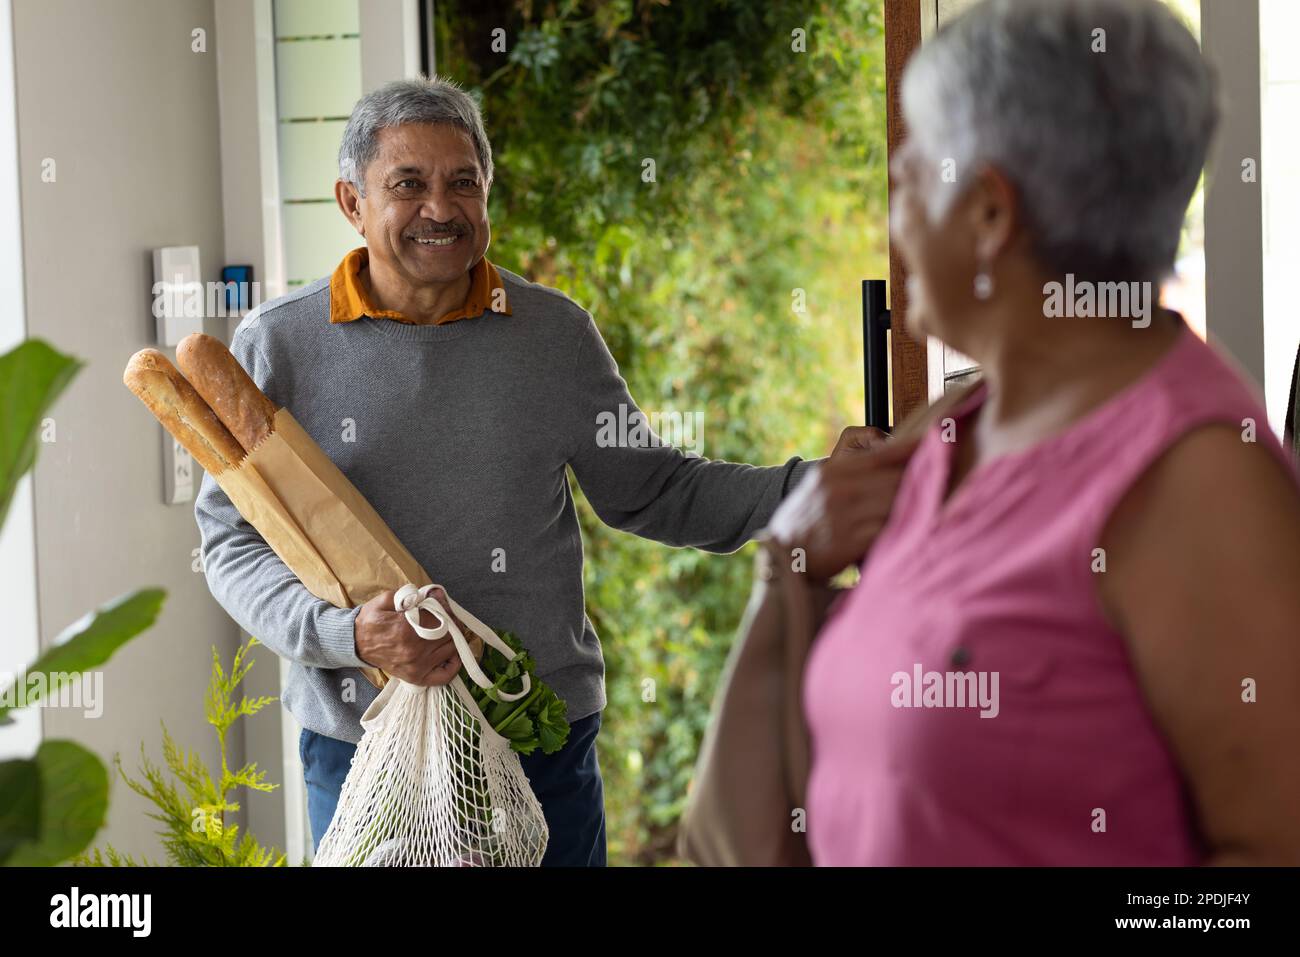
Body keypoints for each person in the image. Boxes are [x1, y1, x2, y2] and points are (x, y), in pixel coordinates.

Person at [193, 76, 881, 866]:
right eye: (407, 184)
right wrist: (346, 635)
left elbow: (654, 491)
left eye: (464, 183)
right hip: (360, 744)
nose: (441, 209)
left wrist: (818, 484)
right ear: (352, 201)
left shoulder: (553, 335)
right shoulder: (278, 346)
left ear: (488, 195)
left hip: (537, 734)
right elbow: (231, 544)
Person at [771, 0, 1300, 865]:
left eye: (907, 175)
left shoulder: (1200, 483)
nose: (894, 216)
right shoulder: (949, 436)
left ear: (987, 212)